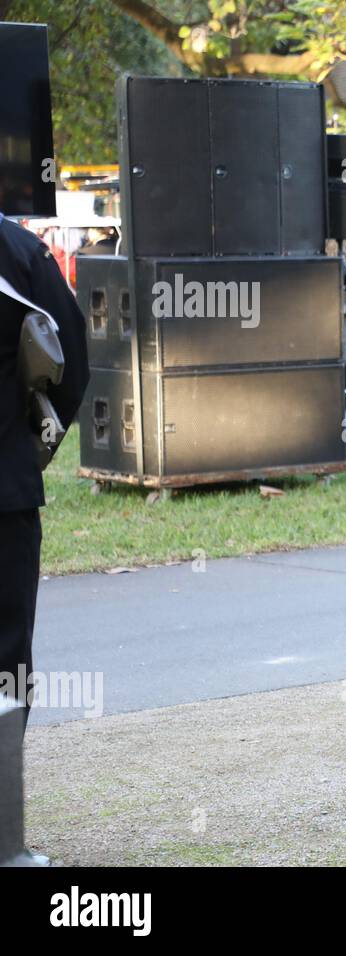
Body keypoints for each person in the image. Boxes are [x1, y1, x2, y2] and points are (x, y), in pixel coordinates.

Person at [1, 211, 90, 866]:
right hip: (3, 492)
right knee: (4, 667)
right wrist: (33, 447)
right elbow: (73, 356)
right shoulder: (18, 251)